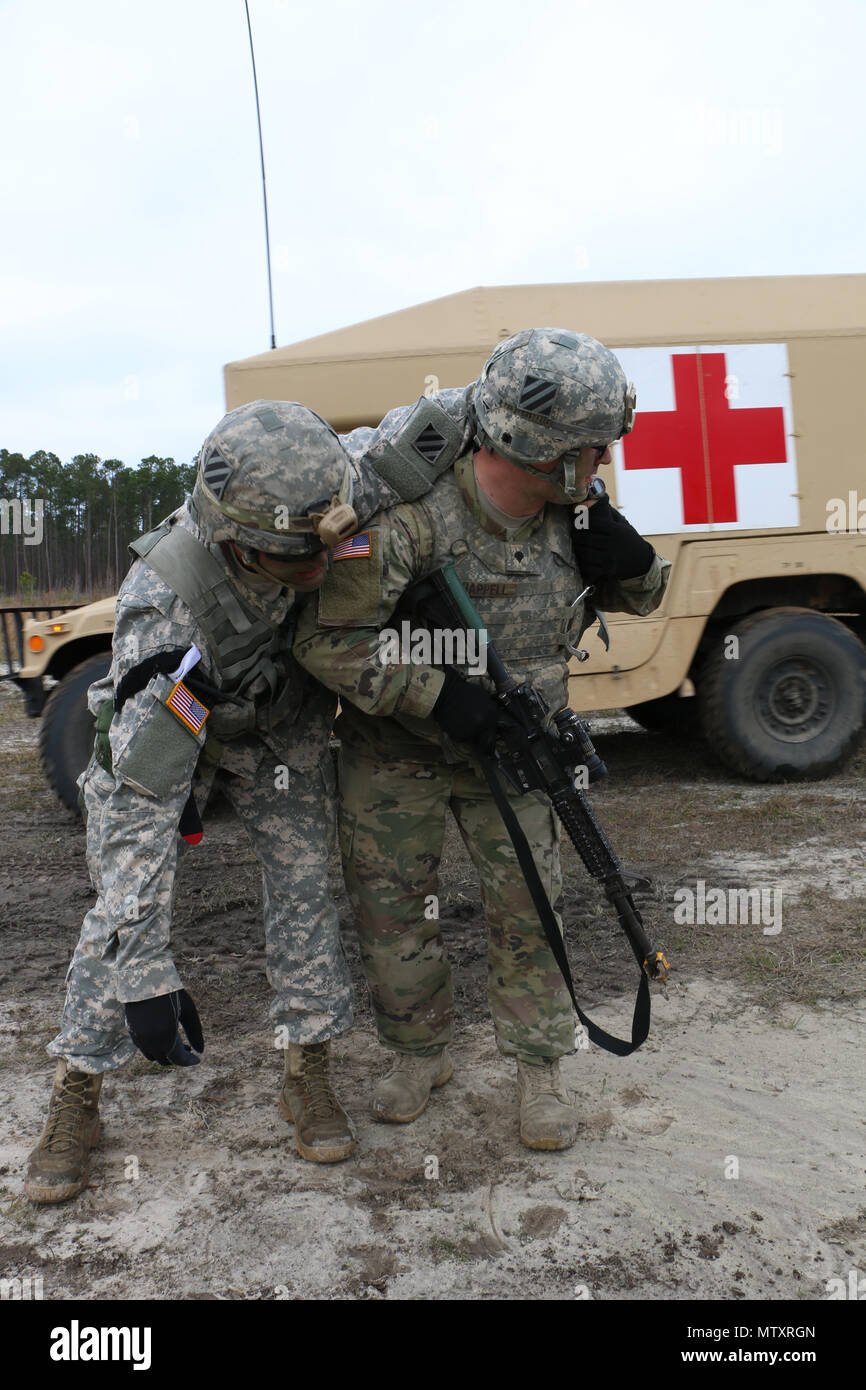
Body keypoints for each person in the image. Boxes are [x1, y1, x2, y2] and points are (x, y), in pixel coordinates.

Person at [294, 328, 671, 1151]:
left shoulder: (577, 515)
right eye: (591, 448)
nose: (603, 460)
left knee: (532, 910)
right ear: (543, 450)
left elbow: (642, 596)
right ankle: (416, 1054)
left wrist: (637, 566)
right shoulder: (409, 521)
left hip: (518, 747)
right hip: (398, 753)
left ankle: (540, 1070)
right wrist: (437, 695)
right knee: (394, 912)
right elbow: (329, 640)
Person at [24, 401, 366, 1202]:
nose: (320, 566)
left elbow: (443, 430)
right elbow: (137, 819)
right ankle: (80, 1086)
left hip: (282, 724)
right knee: (122, 912)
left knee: (309, 883)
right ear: (238, 542)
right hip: (182, 719)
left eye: (325, 547)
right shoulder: (166, 605)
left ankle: (305, 1064)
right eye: (295, 559)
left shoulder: (330, 486)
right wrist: (147, 976)